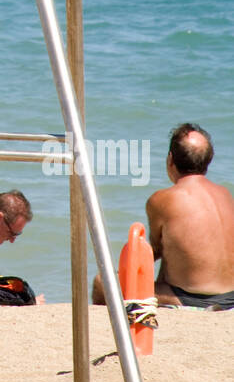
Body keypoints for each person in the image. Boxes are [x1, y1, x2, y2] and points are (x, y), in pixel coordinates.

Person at [94, 125, 234, 310]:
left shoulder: (161, 199)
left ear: (170, 160)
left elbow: (153, 251)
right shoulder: (225, 194)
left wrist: (125, 270)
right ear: (209, 160)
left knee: (102, 282)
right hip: (230, 297)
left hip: (191, 299)